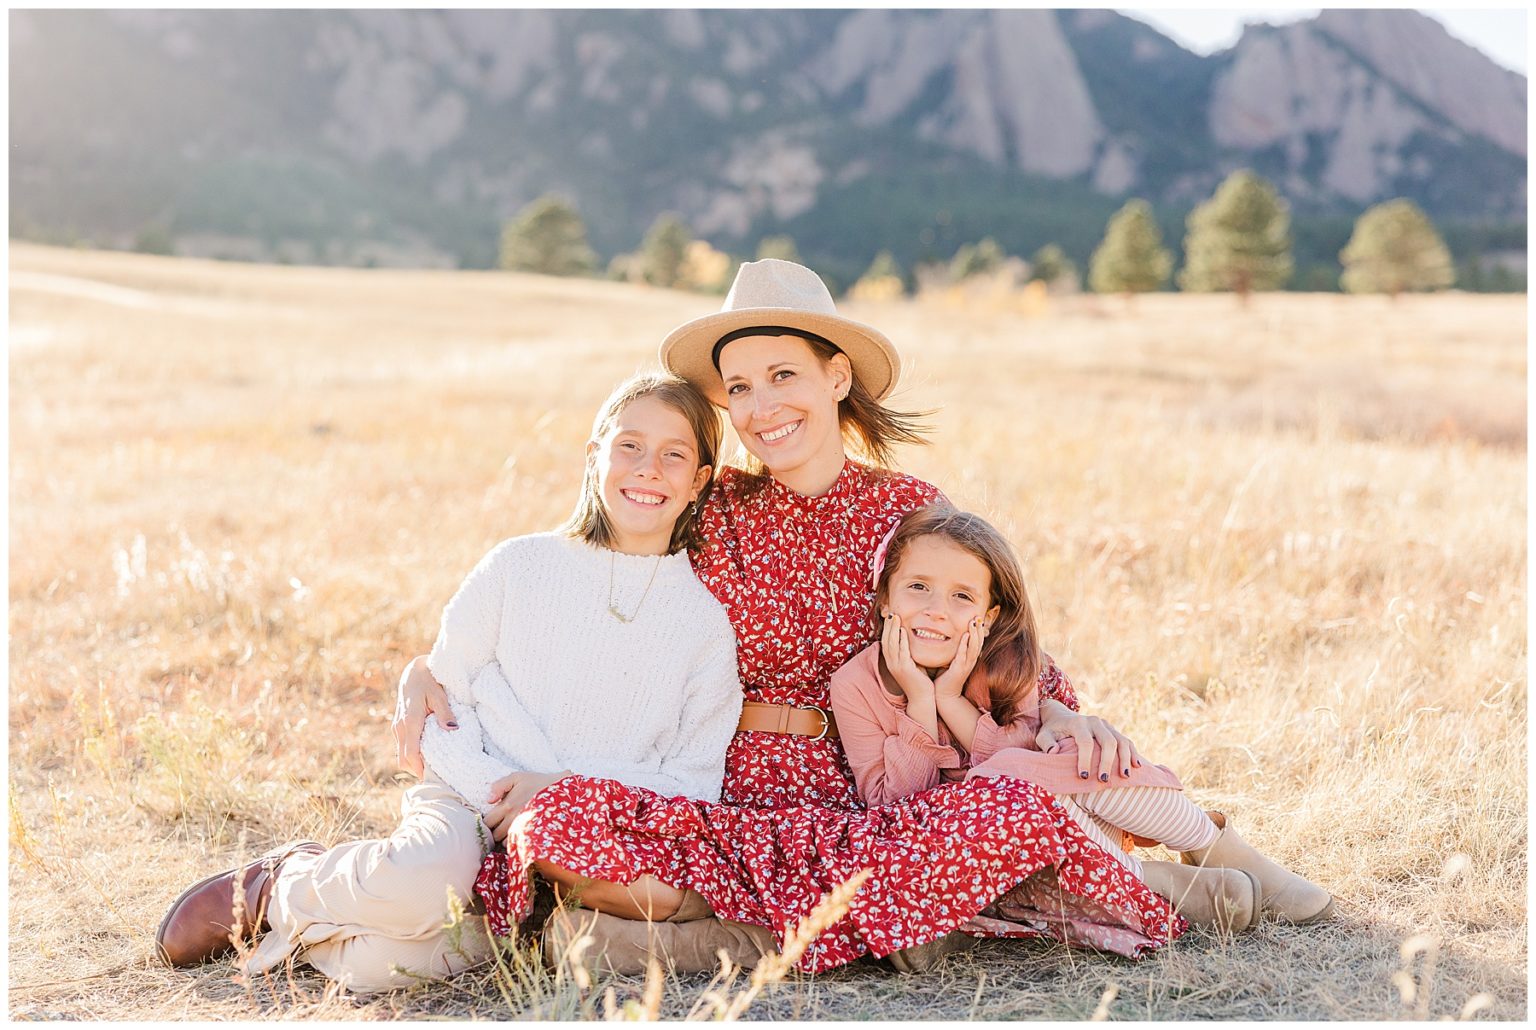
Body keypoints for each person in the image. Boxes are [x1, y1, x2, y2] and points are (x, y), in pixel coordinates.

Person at [397, 259, 1195, 976]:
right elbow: (581, 567)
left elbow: (972, 625)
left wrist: (1052, 706)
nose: (760, 406)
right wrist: (427, 668)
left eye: (783, 375)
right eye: (739, 388)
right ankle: (902, 921)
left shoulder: (909, 508)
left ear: (837, 377)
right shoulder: (715, 507)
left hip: (865, 785)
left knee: (1007, 810)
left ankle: (725, 938)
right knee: (557, 822)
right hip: (722, 786)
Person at [155, 371, 763, 993]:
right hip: (469, 801)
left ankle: (327, 922)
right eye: (629, 446)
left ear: (699, 481)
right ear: (594, 456)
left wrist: (561, 792)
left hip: (578, 842)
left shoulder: (705, 627)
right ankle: (285, 881)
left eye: (674, 455)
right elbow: (442, 708)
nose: (648, 469)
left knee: (379, 966)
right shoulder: (519, 565)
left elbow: (693, 782)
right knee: (428, 881)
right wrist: (494, 795)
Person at [830, 503, 1335, 932]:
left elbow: (1026, 756)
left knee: (1062, 754)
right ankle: (1148, 882)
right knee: (1008, 789)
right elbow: (891, 807)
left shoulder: (1003, 660)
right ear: (884, 598)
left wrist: (953, 703)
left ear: (987, 615)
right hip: (991, 859)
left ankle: (1215, 847)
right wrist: (921, 702)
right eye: (918, 587)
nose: (937, 610)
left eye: (962, 596)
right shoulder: (854, 685)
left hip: (1074, 822)